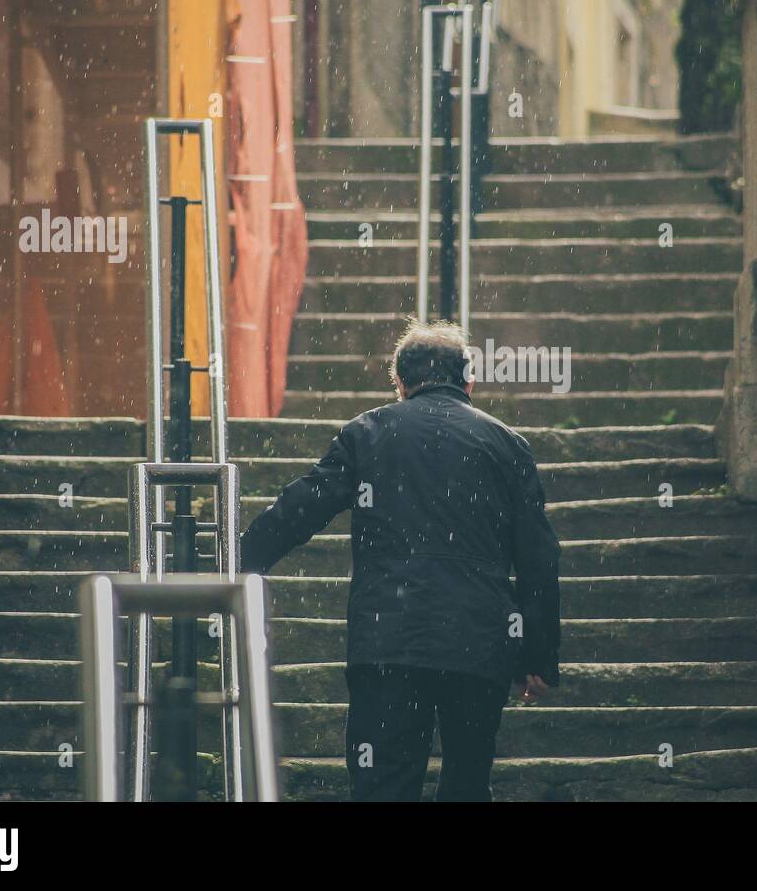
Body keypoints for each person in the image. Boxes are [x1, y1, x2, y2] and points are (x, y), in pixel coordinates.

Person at [239, 319, 562, 801]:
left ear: (399, 383)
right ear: (468, 381)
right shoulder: (508, 446)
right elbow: (538, 557)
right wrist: (536, 653)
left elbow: (300, 509)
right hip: (478, 642)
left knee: (383, 782)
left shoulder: (367, 434)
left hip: (388, 640)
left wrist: (239, 563)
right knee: (468, 781)